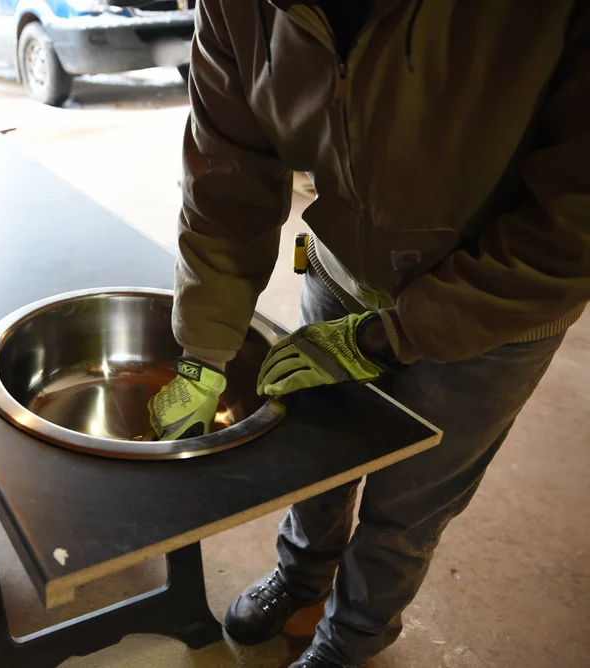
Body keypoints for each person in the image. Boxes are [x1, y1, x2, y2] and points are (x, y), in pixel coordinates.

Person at [145, 1, 590, 666]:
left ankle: (353, 636)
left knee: (407, 506)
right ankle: (302, 580)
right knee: (316, 459)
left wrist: (395, 335)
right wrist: (206, 349)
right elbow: (226, 174)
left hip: (493, 306)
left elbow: (575, 222)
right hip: (342, 272)